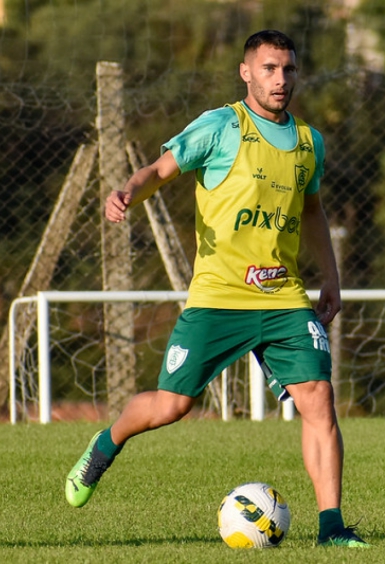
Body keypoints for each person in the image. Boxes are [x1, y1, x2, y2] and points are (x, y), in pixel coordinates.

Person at [64, 29, 368, 548]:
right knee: (171, 406)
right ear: (246, 72)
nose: (281, 79)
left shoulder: (307, 142)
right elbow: (160, 170)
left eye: (289, 69)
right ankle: (105, 445)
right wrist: (126, 193)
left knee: (318, 397)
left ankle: (332, 528)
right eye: (269, 69)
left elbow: (312, 211)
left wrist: (332, 277)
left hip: (283, 297)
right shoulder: (221, 126)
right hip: (218, 298)